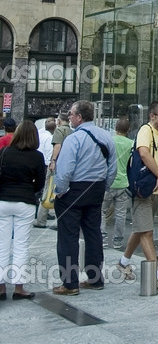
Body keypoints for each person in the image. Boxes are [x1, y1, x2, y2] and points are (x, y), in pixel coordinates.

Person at [52, 101, 116, 294]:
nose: (69, 117)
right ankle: (95, 278)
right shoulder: (106, 136)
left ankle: (70, 283)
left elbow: (65, 170)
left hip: (74, 189)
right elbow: (112, 168)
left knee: (68, 237)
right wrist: (104, 186)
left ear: (79, 117)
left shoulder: (74, 139)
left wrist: (60, 190)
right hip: (96, 189)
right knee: (93, 233)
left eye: (71, 114)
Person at [116, 100, 158, 291]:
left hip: (155, 189)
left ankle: (123, 262)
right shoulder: (145, 131)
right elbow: (144, 154)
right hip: (143, 189)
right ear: (152, 116)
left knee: (141, 228)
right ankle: (157, 274)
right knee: (147, 232)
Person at [0, 119, 46, 299]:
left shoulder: (4, 152)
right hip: (25, 202)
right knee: (21, 245)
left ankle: (1, 288)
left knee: (2, 245)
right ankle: (19, 288)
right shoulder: (37, 156)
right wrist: (28, 190)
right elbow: (40, 184)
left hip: (3, 201)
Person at [34, 111, 71, 228]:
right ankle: (59, 221)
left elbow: (57, 146)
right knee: (61, 193)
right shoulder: (72, 131)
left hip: (57, 165)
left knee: (48, 191)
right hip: (67, 165)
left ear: (59, 121)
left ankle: (41, 220)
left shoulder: (59, 131)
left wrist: (53, 161)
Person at [102, 117, 132, 248]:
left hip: (108, 182)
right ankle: (117, 241)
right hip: (123, 183)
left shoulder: (110, 141)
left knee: (102, 212)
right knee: (120, 214)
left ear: (115, 128)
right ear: (128, 130)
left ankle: (102, 238)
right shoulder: (131, 143)